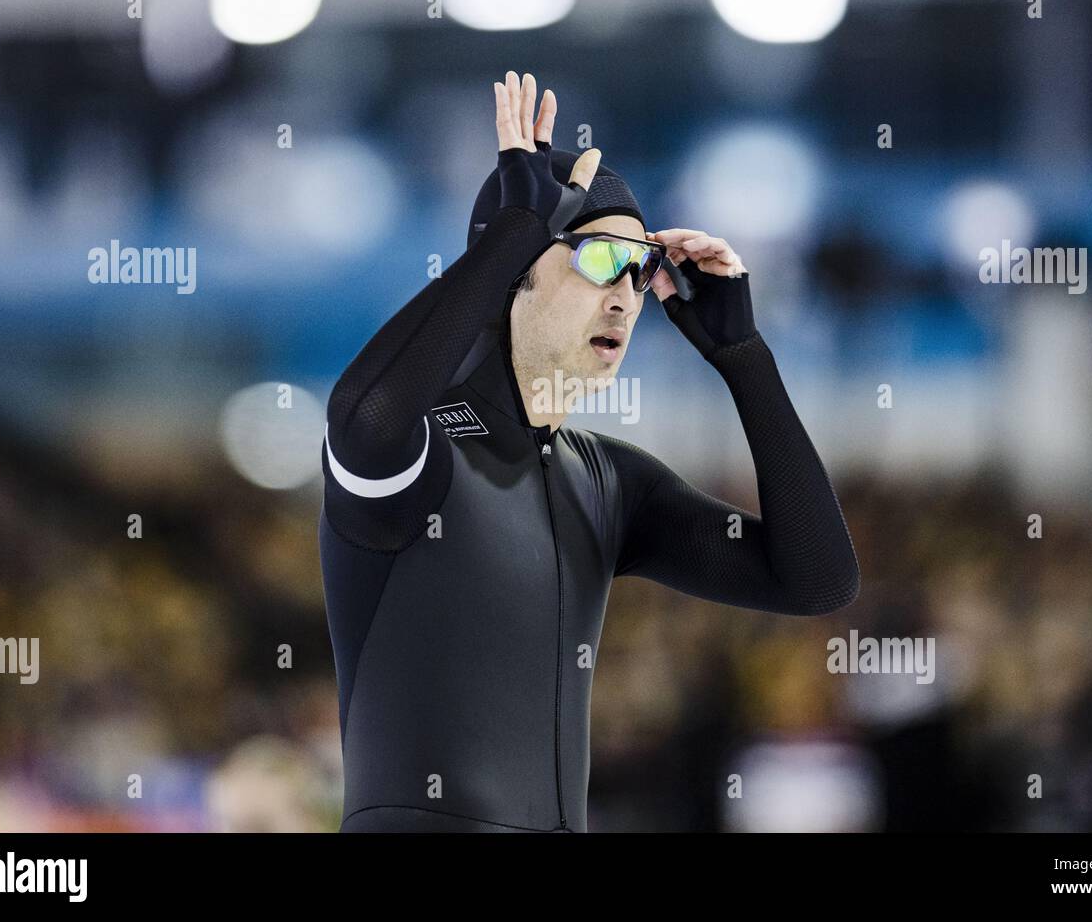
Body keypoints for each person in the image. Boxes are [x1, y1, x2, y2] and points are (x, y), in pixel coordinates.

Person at [319, 70, 860, 832]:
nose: (625, 296)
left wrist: (744, 358)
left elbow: (817, 580)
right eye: (600, 260)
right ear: (512, 275)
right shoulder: (422, 450)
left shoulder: (605, 479)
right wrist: (512, 232)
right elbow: (363, 417)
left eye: (640, 271)